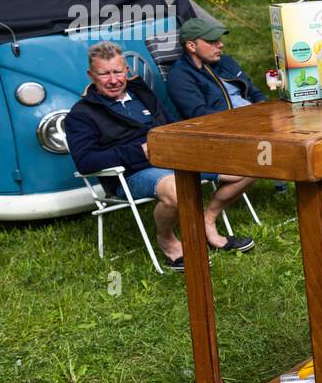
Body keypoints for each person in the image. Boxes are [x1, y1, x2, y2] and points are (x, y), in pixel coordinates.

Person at [166, 17, 322, 228]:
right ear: (191, 45)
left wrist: (267, 114)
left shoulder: (225, 63)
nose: (220, 45)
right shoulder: (180, 76)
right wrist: (251, 122)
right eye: (211, 41)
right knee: (313, 141)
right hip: (232, 137)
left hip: (260, 124)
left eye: (219, 39)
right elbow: (204, 118)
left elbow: (255, 93)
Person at [67, 40, 257, 271]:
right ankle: (167, 238)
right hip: (132, 173)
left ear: (127, 70)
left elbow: (169, 125)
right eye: (104, 74)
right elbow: (86, 162)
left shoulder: (141, 94)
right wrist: (138, 151)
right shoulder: (82, 114)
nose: (113, 80)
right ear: (91, 75)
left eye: (117, 71)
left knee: (250, 166)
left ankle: (207, 221)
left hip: (175, 159)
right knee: (178, 190)